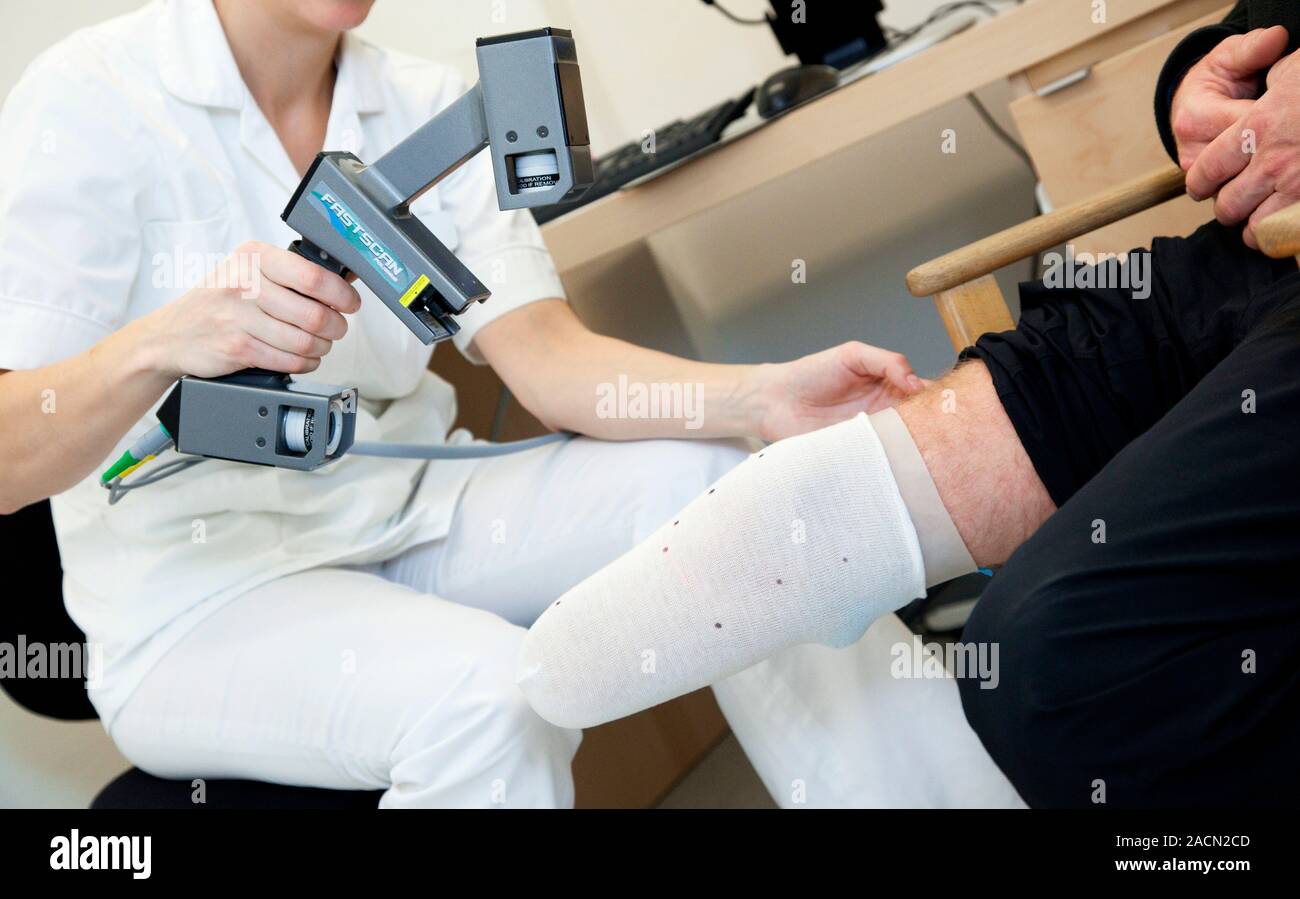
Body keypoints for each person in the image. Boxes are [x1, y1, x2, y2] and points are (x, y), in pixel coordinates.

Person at [0, 0, 927, 808]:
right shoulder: (92, 98)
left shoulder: (428, 103)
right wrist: (161, 342)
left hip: (418, 518)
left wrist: (759, 398)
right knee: (488, 702)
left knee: (744, 504)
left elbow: (549, 361)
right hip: (203, 599)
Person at [519, 6, 1300, 808]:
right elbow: (1252, 28)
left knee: (1043, 661)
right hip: (1232, 268)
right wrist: (1204, 89)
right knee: (820, 512)